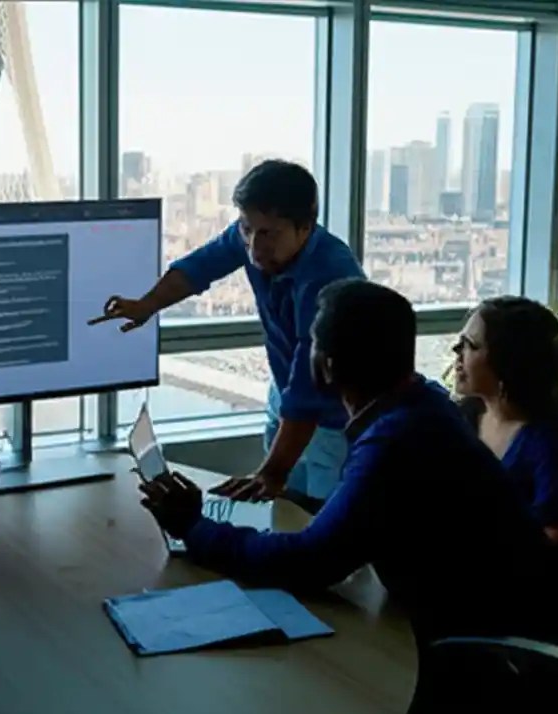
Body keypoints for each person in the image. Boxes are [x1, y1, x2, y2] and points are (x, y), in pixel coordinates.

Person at [139, 280, 558, 714]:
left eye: (313, 342)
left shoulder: (396, 438)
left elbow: (312, 562)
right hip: (494, 628)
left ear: (327, 365)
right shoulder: (423, 405)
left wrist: (195, 527)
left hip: (514, 666)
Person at [92, 160, 362, 506]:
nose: (254, 247)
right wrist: (147, 305)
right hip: (286, 392)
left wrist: (271, 472)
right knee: (281, 505)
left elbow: (310, 388)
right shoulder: (252, 236)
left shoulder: (331, 275)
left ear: (306, 227)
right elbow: (199, 266)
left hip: (334, 412)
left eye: (269, 234)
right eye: (247, 229)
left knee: (326, 519)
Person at [453, 296, 558, 556]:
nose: (456, 352)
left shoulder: (550, 444)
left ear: (507, 362)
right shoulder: (466, 415)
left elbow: (554, 540)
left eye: (469, 345)